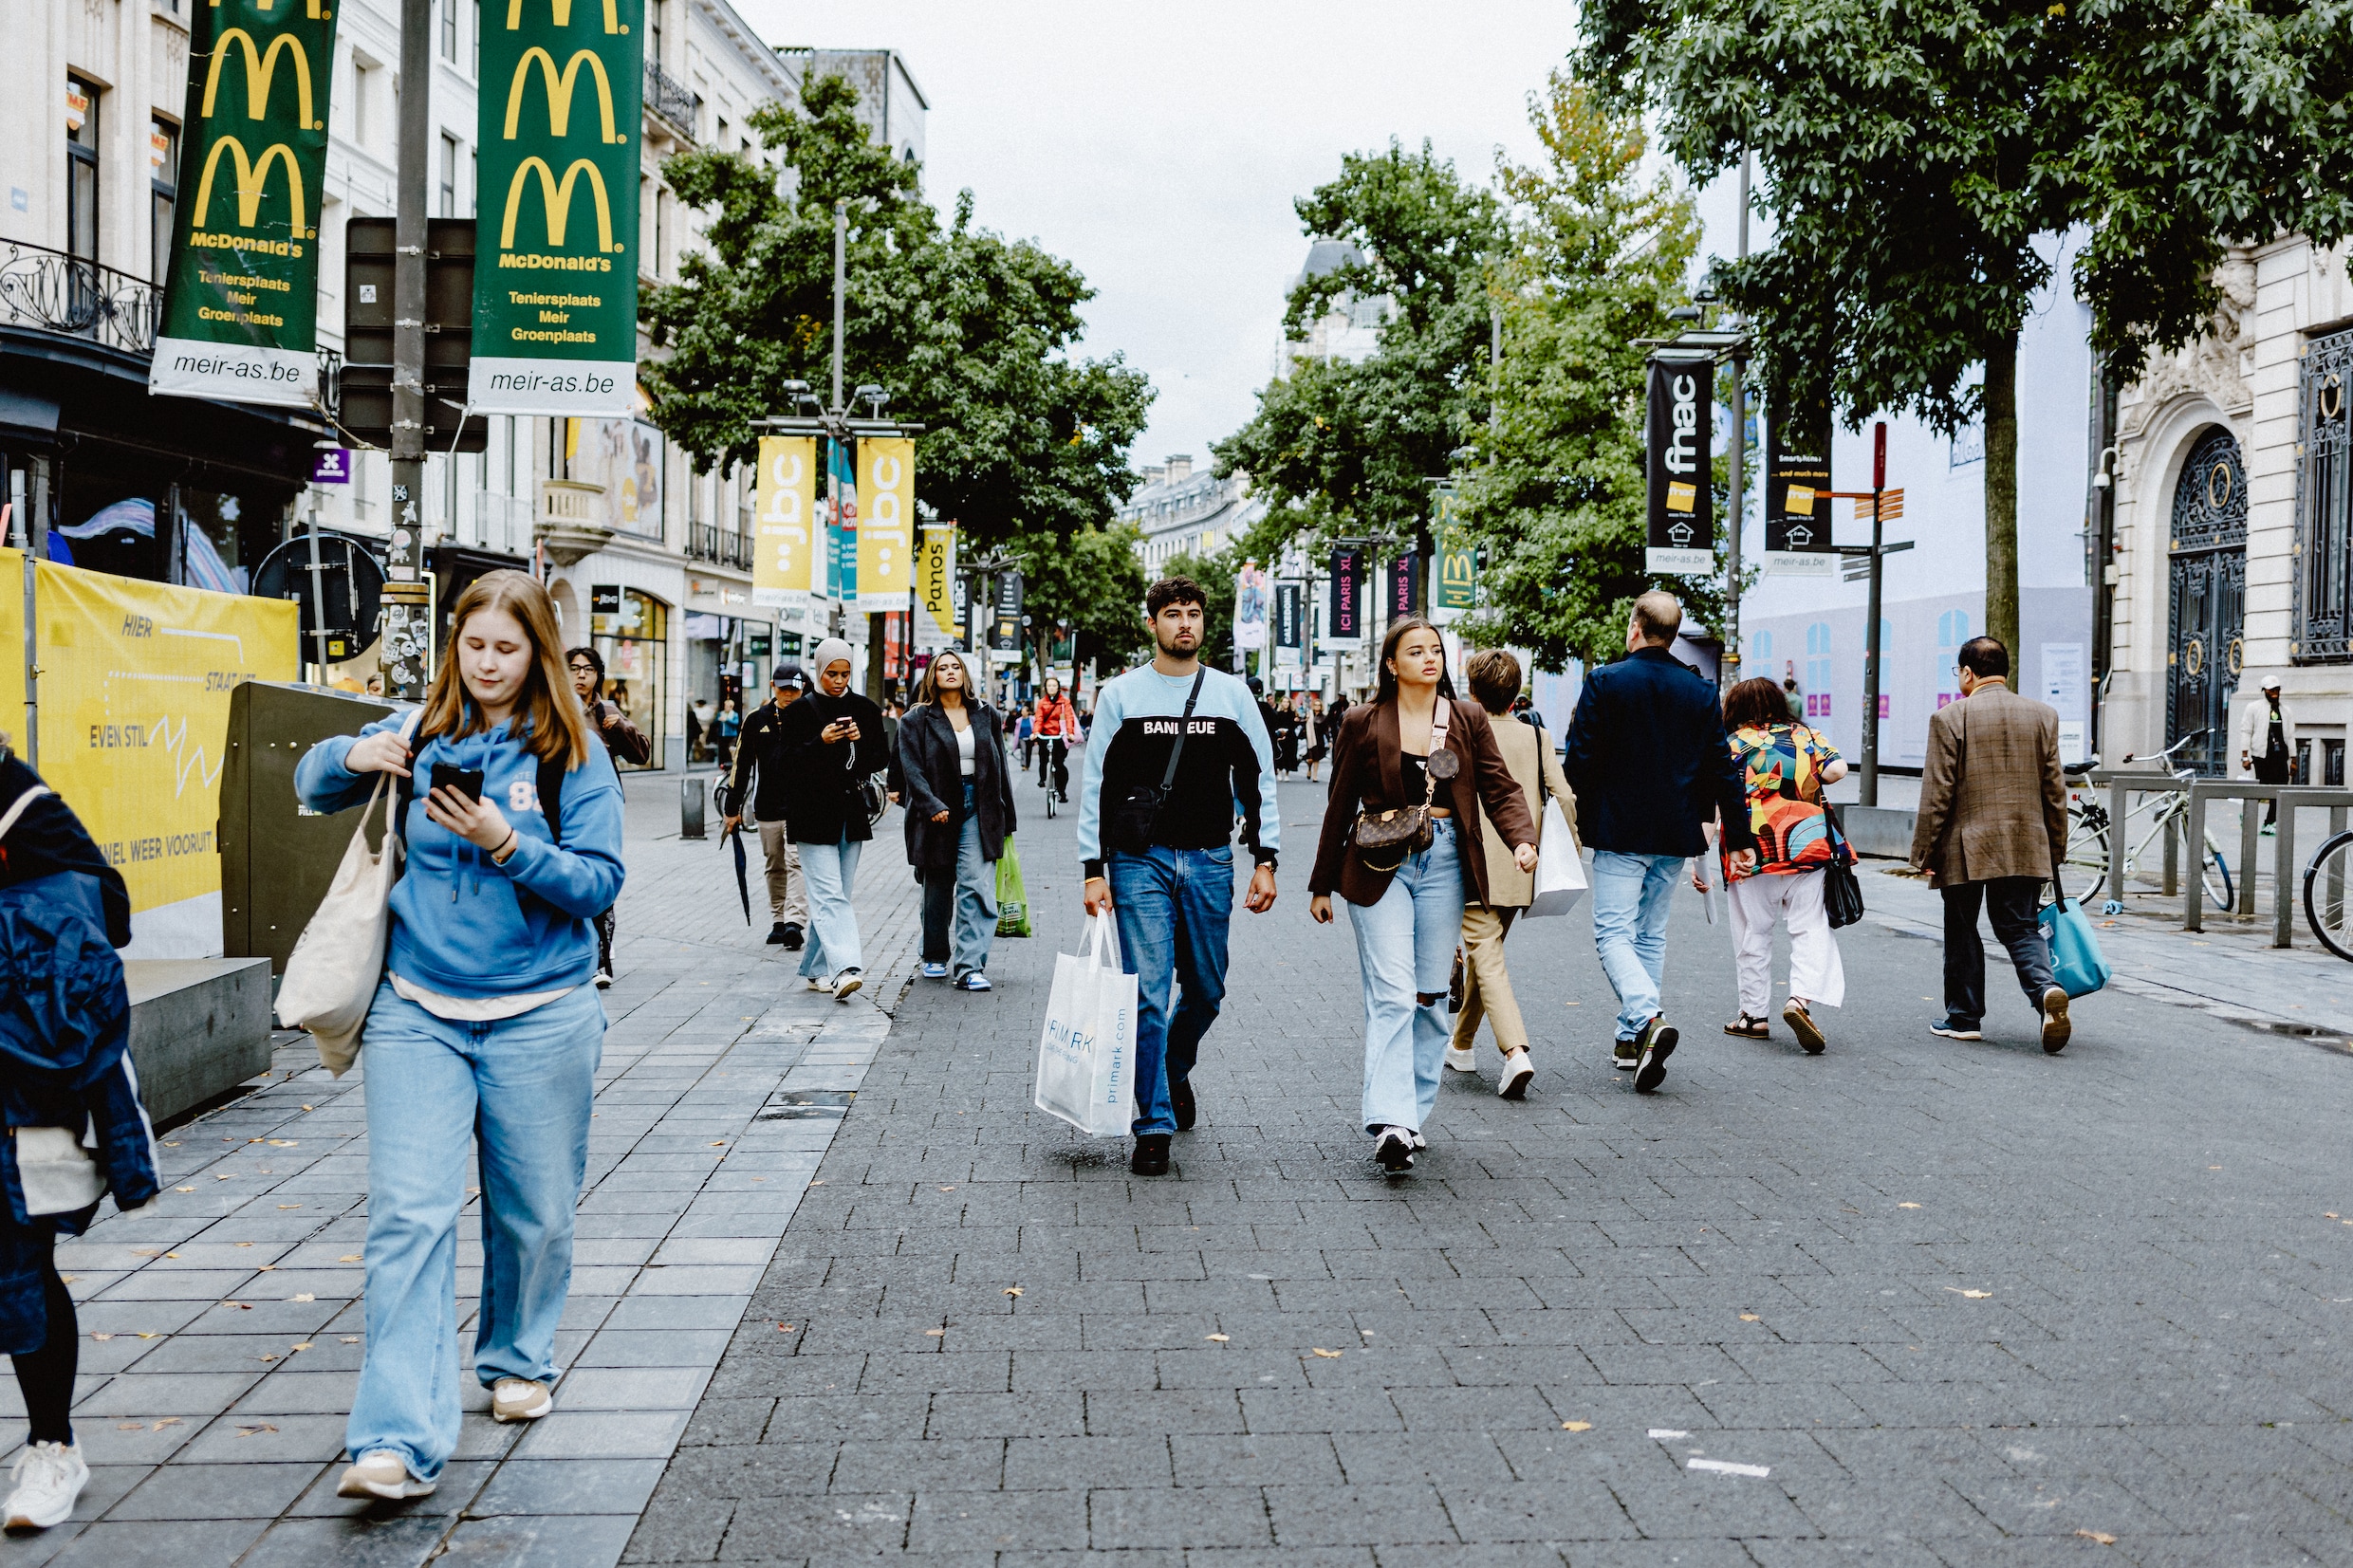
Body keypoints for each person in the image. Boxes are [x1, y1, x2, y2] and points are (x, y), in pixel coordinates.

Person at [295, 570, 623, 1501]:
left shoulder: (572, 753)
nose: (486, 663)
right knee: (408, 1217)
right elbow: (307, 780)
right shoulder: (419, 726)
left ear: (539, 655)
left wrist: (504, 842)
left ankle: (517, 1354)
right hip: (416, 1010)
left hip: (540, 1015)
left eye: (506, 648)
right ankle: (394, 1439)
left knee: (535, 1212)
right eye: (472, 645)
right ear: (455, 645)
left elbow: (599, 883)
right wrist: (355, 760)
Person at [0, 732, 160, 1530]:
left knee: (17, 1262)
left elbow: (112, 910)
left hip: (26, 1081)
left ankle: (52, 1447)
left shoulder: (20, 805)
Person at [1311, 621, 1539, 1171]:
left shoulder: (1466, 718)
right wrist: (1321, 882)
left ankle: (1410, 1113)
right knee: (1393, 994)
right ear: (1392, 664)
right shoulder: (1364, 722)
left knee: (1430, 998)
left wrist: (1523, 839)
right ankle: (1391, 1122)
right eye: (1416, 651)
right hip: (1378, 863)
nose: (1429, 658)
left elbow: (1499, 785)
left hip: (1444, 867)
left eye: (1436, 650)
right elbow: (1339, 803)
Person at [1076, 576, 1280, 1176]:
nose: (1184, 623)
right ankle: (1154, 1122)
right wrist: (1094, 869)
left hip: (1212, 859)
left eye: (1193, 614)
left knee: (1208, 990)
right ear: (1153, 625)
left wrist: (1266, 859)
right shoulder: (1120, 695)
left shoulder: (1231, 696)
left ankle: (1170, 1065)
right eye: (1172, 614)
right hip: (1140, 861)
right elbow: (1096, 787)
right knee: (1148, 991)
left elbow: (1259, 781)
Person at [1563, 591, 1757, 1093]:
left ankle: (1647, 1017)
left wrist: (1566, 816)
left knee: (1612, 934)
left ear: (1634, 627)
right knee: (1649, 934)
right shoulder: (1698, 691)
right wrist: (1737, 834)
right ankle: (1631, 1040)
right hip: (1675, 833)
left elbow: (1579, 761)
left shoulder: (1605, 682)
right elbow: (1721, 766)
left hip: (1619, 829)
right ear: (1672, 635)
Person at [1910, 635, 2073, 1051]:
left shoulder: (1950, 717)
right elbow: (2054, 790)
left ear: (1967, 672)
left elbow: (1938, 792)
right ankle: (2045, 991)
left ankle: (1964, 1018)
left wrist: (1924, 851)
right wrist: (2055, 849)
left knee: (1962, 927)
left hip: (1965, 844)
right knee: (2019, 926)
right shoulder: (2043, 716)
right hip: (2025, 839)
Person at [1443, 649, 1574, 1099]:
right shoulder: (1537, 737)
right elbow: (1564, 797)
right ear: (1517, 693)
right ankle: (1460, 1045)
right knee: (1488, 954)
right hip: (1523, 866)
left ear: (1472, 691)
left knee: (1486, 955)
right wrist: (1568, 849)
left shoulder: (1457, 733)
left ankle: (1515, 1051)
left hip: (1470, 864)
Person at [1712, 677, 1850, 1052]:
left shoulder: (1731, 743)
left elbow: (1711, 800)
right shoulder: (1806, 736)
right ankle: (1799, 1000)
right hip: (1806, 844)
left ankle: (1753, 1016)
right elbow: (1838, 771)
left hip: (1750, 849)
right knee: (1809, 928)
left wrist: (1699, 857)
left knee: (1752, 932)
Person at [894, 650, 1016, 988]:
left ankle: (969, 967)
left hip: (979, 806)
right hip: (936, 810)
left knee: (976, 886)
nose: (950, 672)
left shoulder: (985, 714)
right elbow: (912, 769)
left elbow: (999, 766)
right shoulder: (916, 719)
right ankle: (934, 954)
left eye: (956, 667)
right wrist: (930, 804)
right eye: (942, 667)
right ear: (932, 676)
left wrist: (1007, 818)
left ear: (965, 674)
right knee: (937, 886)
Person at [779, 640, 889, 1001]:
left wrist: (860, 739)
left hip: (850, 814)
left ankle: (814, 968)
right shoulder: (798, 712)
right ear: (818, 670)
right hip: (811, 814)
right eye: (831, 674)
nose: (838, 681)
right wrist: (820, 741)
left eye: (844, 673)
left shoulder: (865, 710)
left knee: (837, 895)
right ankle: (845, 969)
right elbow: (786, 765)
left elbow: (879, 760)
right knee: (829, 896)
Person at [567, 645, 651, 987]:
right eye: (574, 669)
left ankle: (601, 961)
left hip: (600, 809)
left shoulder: (607, 712)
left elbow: (641, 754)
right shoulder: (551, 710)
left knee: (599, 880)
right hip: (560, 807)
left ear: (598, 675)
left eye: (588, 669)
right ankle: (576, 955)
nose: (581, 675)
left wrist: (619, 730)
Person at [723, 667, 810, 950]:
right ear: (773, 686)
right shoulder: (756, 720)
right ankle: (778, 919)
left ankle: (795, 923)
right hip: (768, 805)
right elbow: (742, 765)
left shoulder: (810, 716)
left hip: (800, 804)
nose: (789, 695)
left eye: (795, 689)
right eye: (784, 689)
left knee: (797, 862)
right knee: (775, 864)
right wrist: (732, 808)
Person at [2238, 677, 2295, 829]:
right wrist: (2245, 756)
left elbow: (2290, 735)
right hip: (2261, 755)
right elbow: (2246, 732)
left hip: (2280, 756)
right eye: (2271, 690)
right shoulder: (2253, 708)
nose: (2275, 693)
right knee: (2261, 788)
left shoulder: (2286, 711)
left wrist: (2293, 759)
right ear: (2264, 691)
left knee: (2280, 788)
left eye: (2277, 690)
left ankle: (2270, 822)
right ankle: (2247, 814)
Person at [1034, 676, 1081, 802]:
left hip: (1060, 736)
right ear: (1045, 688)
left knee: (1059, 764)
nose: (1052, 688)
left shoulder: (1065, 702)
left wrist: (1070, 734)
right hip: (1046, 735)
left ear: (1058, 688)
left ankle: (1062, 791)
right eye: (1049, 685)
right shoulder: (1041, 703)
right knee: (1043, 758)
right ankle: (1042, 779)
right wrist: (1036, 732)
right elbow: (1039, 719)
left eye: (1054, 685)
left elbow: (1069, 718)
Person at [1303, 692, 1327, 783]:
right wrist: (1306, 719)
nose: (1317, 706)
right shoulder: (1309, 715)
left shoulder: (1324, 717)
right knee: (1310, 758)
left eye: (1319, 705)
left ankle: (1315, 776)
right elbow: (1303, 725)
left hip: (1319, 739)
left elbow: (1326, 730)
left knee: (1317, 758)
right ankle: (1309, 768)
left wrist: (1329, 740)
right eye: (1315, 705)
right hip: (1310, 739)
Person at [713, 698, 741, 771]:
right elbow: (715, 722)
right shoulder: (721, 713)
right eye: (725, 706)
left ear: (731, 707)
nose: (725, 707)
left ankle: (730, 764)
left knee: (730, 749)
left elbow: (736, 723)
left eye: (727, 706)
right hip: (722, 735)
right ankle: (723, 764)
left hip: (731, 735)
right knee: (723, 750)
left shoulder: (734, 714)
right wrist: (718, 720)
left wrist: (727, 720)